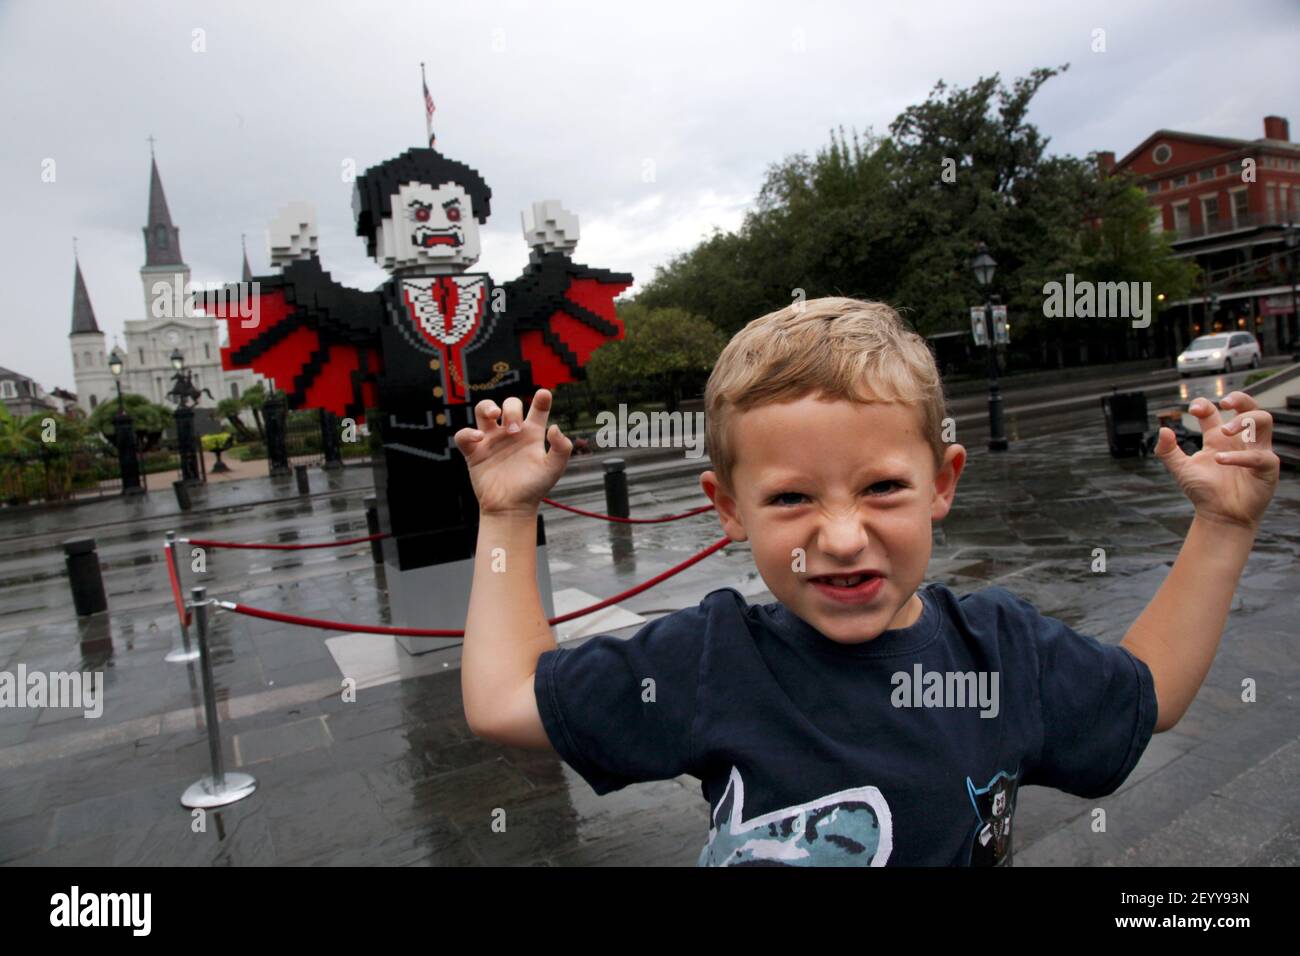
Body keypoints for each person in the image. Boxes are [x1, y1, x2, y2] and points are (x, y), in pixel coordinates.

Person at [454, 297, 1280, 866]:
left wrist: (1225, 525)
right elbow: (503, 701)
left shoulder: (1001, 653)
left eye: (882, 487)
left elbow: (1148, 695)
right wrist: (506, 517)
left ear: (944, 483)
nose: (842, 538)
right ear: (729, 508)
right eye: (789, 498)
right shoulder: (709, 660)